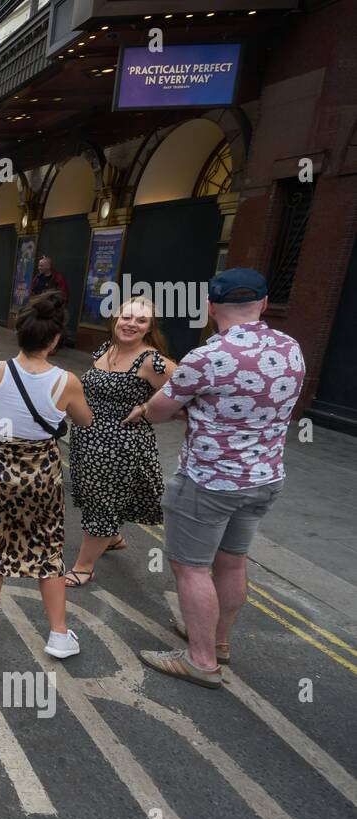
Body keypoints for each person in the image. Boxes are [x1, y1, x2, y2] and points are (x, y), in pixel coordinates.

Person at [125, 268, 304, 688]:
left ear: (210, 308)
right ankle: (219, 640)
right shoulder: (291, 348)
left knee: (190, 568)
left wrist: (158, 410)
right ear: (262, 305)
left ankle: (201, 660)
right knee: (232, 560)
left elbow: (160, 410)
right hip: (265, 477)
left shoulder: (208, 356)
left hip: (209, 481)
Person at [0, 292, 93, 659]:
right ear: (54, 340)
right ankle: (58, 633)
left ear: (19, 333)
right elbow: (84, 421)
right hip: (38, 473)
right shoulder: (66, 380)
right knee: (47, 545)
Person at [66, 296, 172, 588]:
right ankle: (111, 538)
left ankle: (84, 567)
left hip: (119, 447)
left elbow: (185, 398)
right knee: (92, 496)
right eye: (127, 317)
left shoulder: (153, 361)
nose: (131, 324)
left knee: (101, 502)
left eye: (140, 320)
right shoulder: (107, 348)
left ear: (149, 328)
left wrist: (147, 409)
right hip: (87, 441)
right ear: (116, 319)